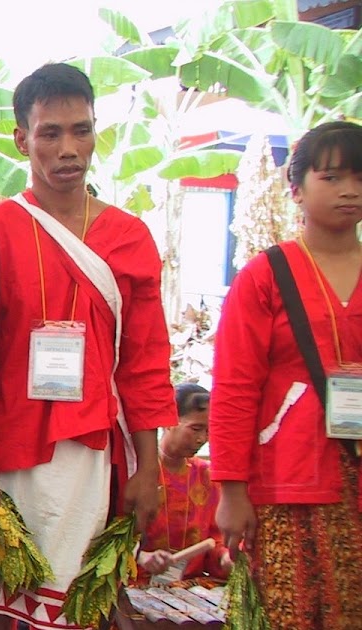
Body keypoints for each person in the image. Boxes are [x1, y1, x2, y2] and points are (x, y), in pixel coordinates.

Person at [0, 63, 170, 630]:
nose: (69, 148)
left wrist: (149, 469)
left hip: (91, 454)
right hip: (2, 452)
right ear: (22, 138)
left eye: (82, 130)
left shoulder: (129, 237)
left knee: (79, 612)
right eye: (51, 133)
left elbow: (144, 363)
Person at [212, 120, 362, 629]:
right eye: (332, 177)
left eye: (360, 176)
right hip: (287, 482)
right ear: (295, 190)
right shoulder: (266, 275)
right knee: (291, 613)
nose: (350, 190)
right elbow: (234, 388)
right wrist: (231, 490)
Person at [137, 383, 231, 581]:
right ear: (169, 422)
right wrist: (141, 556)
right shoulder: (138, 470)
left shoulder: (207, 475)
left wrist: (225, 558)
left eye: (208, 431)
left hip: (190, 587)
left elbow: (216, 539)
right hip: (137, 583)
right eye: (195, 429)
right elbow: (108, 541)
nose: (202, 439)